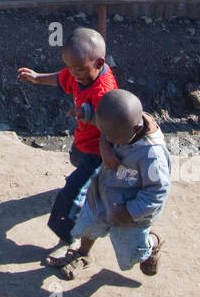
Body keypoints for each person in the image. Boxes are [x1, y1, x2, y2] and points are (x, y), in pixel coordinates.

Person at [16, 27, 118, 263]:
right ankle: (88, 186)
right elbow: (62, 79)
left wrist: (87, 113)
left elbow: (109, 124)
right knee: (76, 160)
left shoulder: (105, 91)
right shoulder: (79, 72)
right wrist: (37, 77)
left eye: (79, 69)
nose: (74, 74)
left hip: (98, 150)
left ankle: (68, 236)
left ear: (99, 62)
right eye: (70, 67)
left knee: (73, 192)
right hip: (83, 142)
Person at [49, 88, 170, 280]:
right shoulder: (119, 124)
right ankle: (82, 254)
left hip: (130, 213)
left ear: (136, 130)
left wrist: (130, 211)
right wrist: (88, 117)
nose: (109, 139)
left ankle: (151, 244)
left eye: (113, 138)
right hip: (102, 195)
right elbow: (103, 124)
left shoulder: (151, 156)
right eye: (106, 135)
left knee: (129, 252)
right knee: (88, 226)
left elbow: (157, 192)